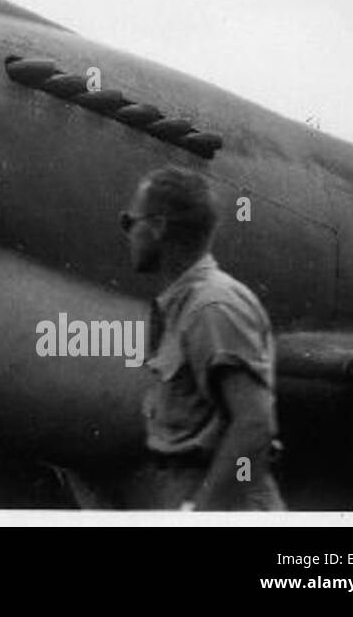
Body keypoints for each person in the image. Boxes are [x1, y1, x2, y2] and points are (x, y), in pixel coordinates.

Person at [121, 166, 285, 510]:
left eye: (129, 222)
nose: (128, 234)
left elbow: (254, 423)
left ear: (158, 226)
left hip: (225, 502)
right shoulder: (185, 306)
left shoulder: (212, 307)